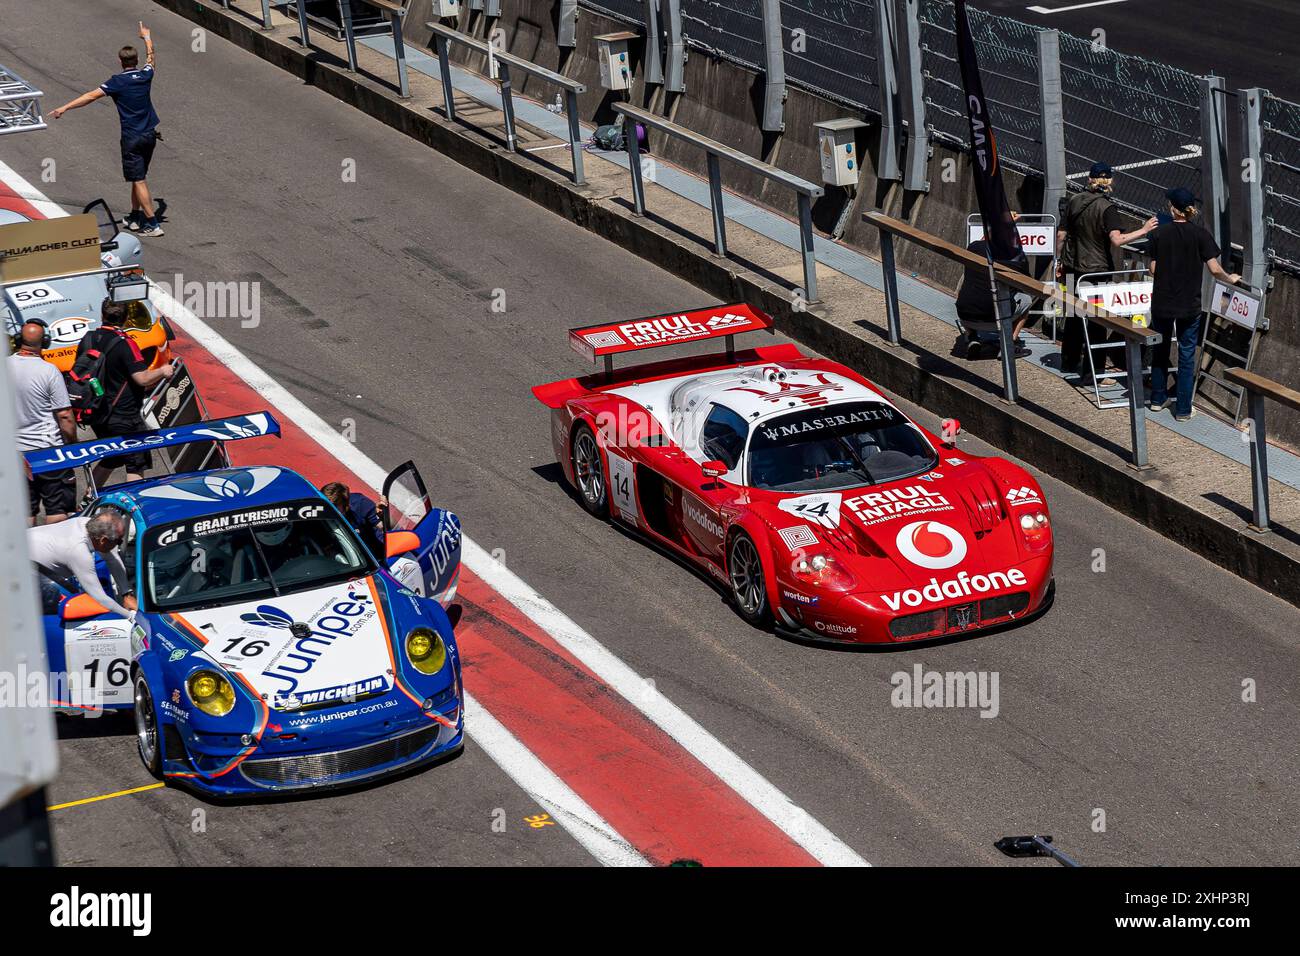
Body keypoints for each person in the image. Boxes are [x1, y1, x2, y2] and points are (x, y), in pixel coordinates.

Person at [51, 22, 164, 237]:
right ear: (136, 61)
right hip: (150, 134)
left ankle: (152, 224)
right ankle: (134, 215)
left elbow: (89, 97)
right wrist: (147, 38)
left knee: (139, 180)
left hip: (132, 137)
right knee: (137, 177)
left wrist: (64, 107)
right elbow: (152, 60)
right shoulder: (145, 75)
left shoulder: (116, 82)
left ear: (120, 61)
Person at [1057, 162, 1157, 385]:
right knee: (1096, 322)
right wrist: (1144, 230)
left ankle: (1068, 360)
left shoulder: (1074, 200)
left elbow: (1061, 235)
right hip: (1096, 271)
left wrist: (1059, 260)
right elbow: (1117, 240)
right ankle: (1094, 372)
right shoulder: (1106, 208)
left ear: (1090, 179)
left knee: (1073, 315)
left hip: (1072, 265)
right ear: (1109, 181)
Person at [1146, 187, 1240, 421]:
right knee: (1187, 355)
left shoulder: (1160, 234)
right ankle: (1184, 409)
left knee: (1160, 349)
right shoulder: (1200, 235)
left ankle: (1157, 399)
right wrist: (1232, 279)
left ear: (1173, 209)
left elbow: (1153, 268)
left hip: (1163, 302)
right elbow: (1215, 269)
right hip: (1189, 304)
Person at [75, 298, 176, 487]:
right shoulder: (125, 344)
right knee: (135, 463)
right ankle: (132, 508)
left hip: (96, 412)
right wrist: (163, 371)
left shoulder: (88, 339)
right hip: (124, 416)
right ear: (126, 318)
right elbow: (142, 378)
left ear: (102, 315)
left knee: (112, 457)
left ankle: (89, 497)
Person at [10, 320, 79, 525]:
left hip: (16, 454)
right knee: (56, 508)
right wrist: (73, 443)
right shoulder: (48, 371)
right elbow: (65, 415)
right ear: (45, 342)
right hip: (48, 452)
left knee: (26, 510)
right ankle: (53, 554)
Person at [28, 510, 136, 620]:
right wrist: (131, 616)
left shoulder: (88, 524)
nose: (119, 545)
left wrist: (126, 593)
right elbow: (100, 599)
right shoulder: (79, 552)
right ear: (103, 540)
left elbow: (112, 559)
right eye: (118, 542)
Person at [954, 238, 1032, 361]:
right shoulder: (1014, 254)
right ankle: (1008, 345)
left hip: (966, 316)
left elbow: (981, 242)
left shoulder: (973, 247)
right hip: (997, 319)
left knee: (966, 281)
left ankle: (971, 337)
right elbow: (1027, 282)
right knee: (1027, 299)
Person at [321, 482, 388, 558]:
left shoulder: (361, 503)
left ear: (345, 504)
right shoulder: (317, 513)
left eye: (334, 507)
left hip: (374, 550)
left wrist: (384, 515)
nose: (328, 512)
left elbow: (384, 527)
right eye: (325, 508)